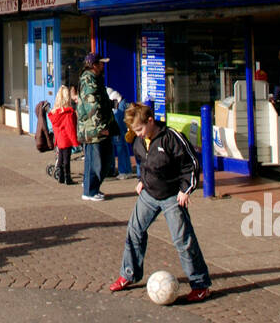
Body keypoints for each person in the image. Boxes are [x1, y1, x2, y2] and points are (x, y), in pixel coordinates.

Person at [109, 102, 213, 303]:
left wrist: (186, 190)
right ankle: (129, 274)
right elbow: (144, 163)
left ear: (150, 121)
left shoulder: (171, 138)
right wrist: (141, 181)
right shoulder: (139, 141)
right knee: (134, 231)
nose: (137, 133)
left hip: (173, 195)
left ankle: (200, 285)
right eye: (134, 130)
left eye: (139, 129)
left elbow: (191, 164)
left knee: (183, 240)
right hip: (149, 193)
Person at [76, 51, 113, 201]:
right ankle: (90, 191)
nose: (103, 65)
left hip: (96, 127)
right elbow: (93, 105)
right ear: (94, 65)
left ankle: (92, 188)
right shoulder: (89, 80)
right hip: (94, 129)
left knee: (104, 159)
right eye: (101, 63)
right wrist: (100, 127)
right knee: (96, 161)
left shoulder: (94, 78)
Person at [47, 85, 79, 185]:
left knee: (60, 157)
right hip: (67, 138)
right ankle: (67, 177)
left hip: (59, 139)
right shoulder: (69, 113)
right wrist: (75, 141)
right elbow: (71, 129)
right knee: (66, 159)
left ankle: (61, 176)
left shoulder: (55, 113)